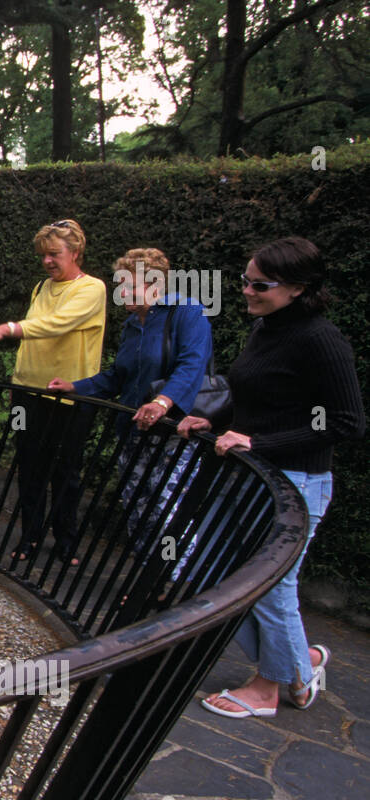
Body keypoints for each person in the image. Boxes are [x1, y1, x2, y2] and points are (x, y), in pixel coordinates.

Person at [177, 237, 364, 718]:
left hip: (294, 484)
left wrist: (259, 444)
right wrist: (216, 424)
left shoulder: (321, 339)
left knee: (270, 584)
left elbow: (345, 422)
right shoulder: (266, 328)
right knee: (211, 570)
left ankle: (271, 686)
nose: (246, 290)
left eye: (259, 284)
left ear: (298, 288)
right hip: (249, 476)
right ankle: (299, 664)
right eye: (244, 280)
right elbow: (258, 400)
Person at [47, 248, 212, 554]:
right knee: (139, 510)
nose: (122, 292)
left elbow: (192, 364)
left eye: (130, 285)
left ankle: (174, 584)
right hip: (134, 433)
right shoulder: (133, 325)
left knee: (168, 513)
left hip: (171, 435)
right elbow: (117, 377)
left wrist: (162, 403)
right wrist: (75, 387)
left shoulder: (188, 312)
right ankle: (145, 581)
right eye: (120, 285)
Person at [0, 219, 107, 564]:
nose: (47, 261)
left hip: (70, 396)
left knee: (66, 471)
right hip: (28, 394)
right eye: (43, 255)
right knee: (29, 466)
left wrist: (6, 328)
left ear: (75, 252)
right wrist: (18, 383)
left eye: (54, 254)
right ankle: (29, 537)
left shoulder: (93, 289)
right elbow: (31, 344)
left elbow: (54, 325)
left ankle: (66, 541)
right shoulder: (41, 288)